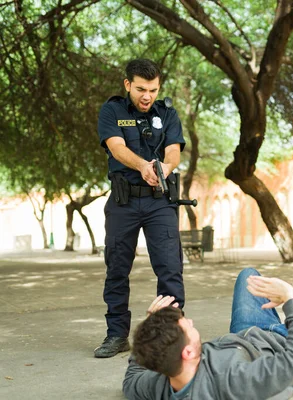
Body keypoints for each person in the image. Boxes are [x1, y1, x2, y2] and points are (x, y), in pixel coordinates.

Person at [123, 268, 293, 399]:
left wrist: (153, 329)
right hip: (284, 342)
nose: (192, 321)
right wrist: (291, 301)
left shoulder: (162, 383)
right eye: (189, 327)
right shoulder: (235, 382)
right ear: (188, 352)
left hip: (246, 333)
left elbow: (132, 379)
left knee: (248, 275)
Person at [95, 59, 186, 358]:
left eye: (153, 89)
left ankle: (171, 333)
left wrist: (165, 166)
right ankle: (117, 335)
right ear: (127, 85)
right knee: (118, 268)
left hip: (160, 200)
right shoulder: (112, 111)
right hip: (124, 201)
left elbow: (174, 150)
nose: (147, 96)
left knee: (169, 268)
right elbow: (117, 147)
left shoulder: (168, 113)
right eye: (140, 89)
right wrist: (142, 165)